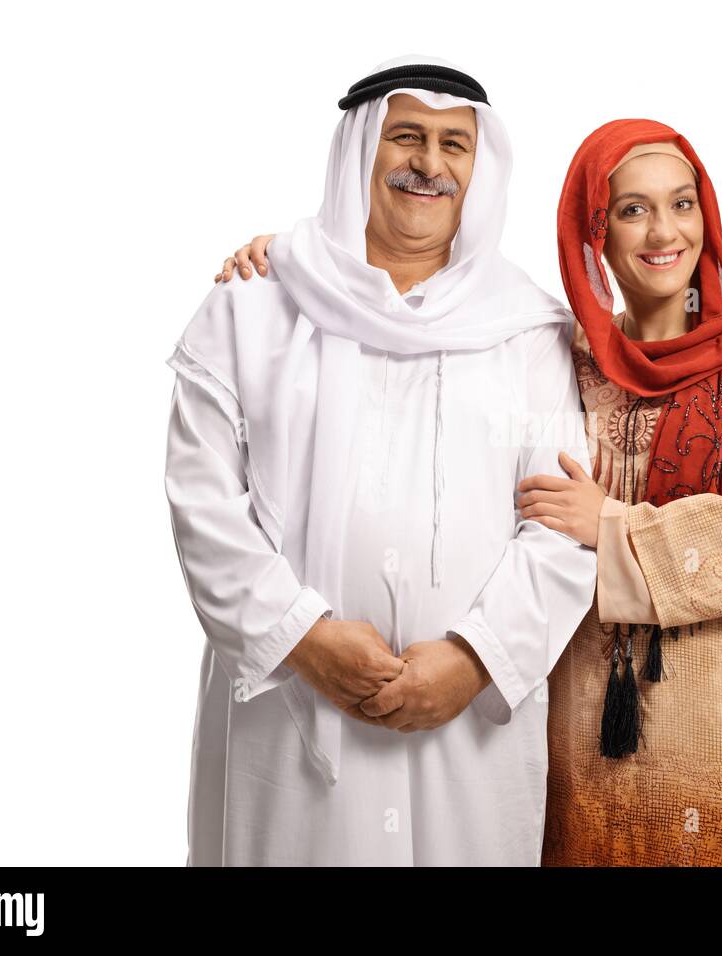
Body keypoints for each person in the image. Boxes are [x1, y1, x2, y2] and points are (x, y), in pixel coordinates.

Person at [215, 119, 722, 866]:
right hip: (587, 746)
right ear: (596, 234)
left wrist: (614, 529)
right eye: (632, 209)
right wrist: (297, 262)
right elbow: (431, 324)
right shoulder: (563, 354)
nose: (663, 231)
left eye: (683, 205)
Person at [165, 55, 596, 866]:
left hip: (468, 732)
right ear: (361, 149)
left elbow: (563, 527)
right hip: (291, 711)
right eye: (407, 137)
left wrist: (474, 660)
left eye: (453, 145)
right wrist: (305, 641)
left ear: (480, 164)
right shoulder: (252, 306)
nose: (430, 165)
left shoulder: (527, 331)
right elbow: (203, 508)